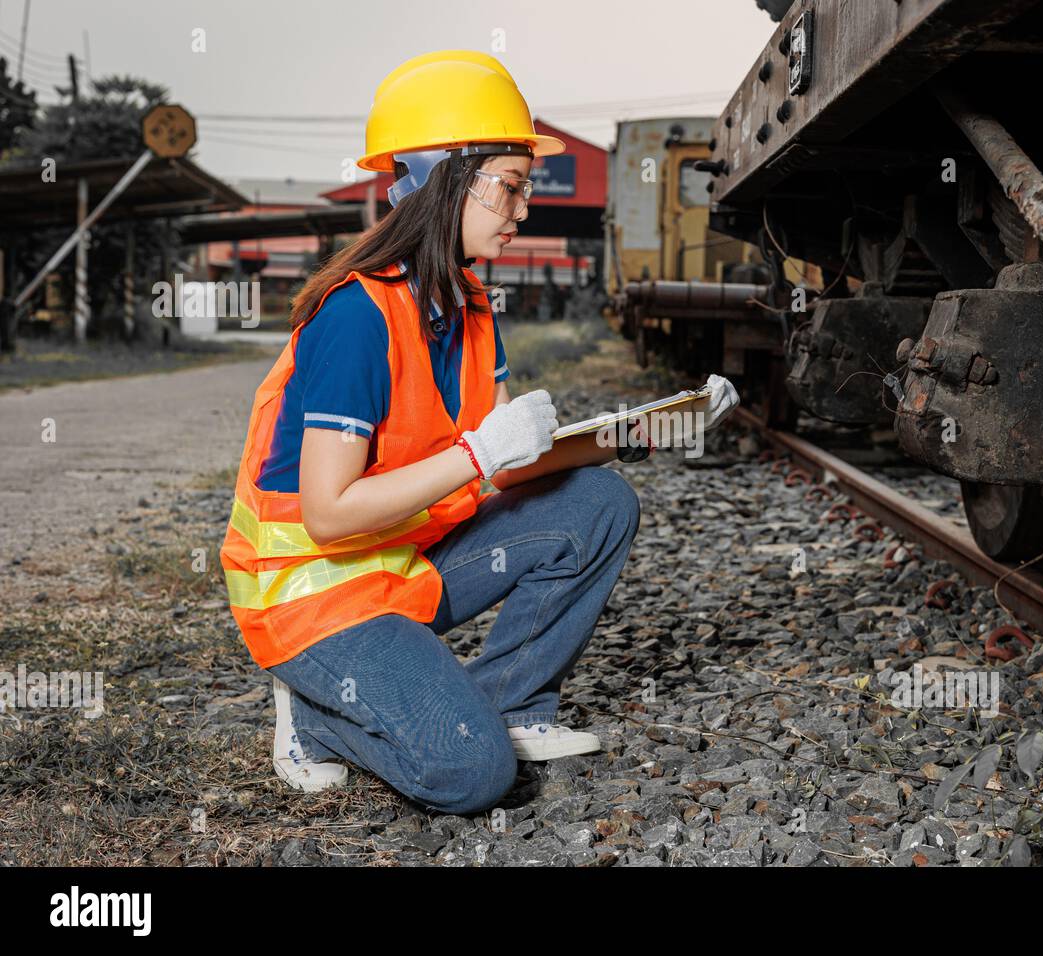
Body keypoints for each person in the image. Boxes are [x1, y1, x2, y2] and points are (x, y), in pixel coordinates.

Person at [218, 50, 739, 815]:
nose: (522, 210)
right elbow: (328, 515)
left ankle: (506, 703)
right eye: (511, 188)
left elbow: (505, 469)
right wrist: (477, 451)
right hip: (317, 597)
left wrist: (635, 431)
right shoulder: (357, 315)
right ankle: (317, 718)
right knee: (470, 776)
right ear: (444, 178)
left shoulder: (467, 305)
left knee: (598, 502)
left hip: (402, 562)